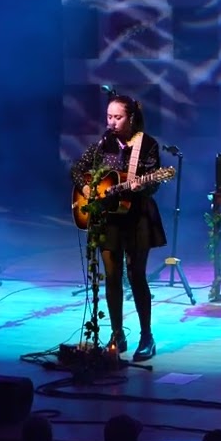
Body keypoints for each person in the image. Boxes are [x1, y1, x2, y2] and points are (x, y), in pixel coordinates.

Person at [70, 94, 166, 362]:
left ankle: (147, 336)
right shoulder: (103, 144)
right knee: (111, 278)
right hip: (109, 219)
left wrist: (142, 185)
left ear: (131, 117)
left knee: (136, 276)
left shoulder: (147, 145)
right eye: (109, 117)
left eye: (118, 117)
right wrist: (88, 187)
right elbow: (77, 169)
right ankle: (116, 334)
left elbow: (156, 182)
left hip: (137, 218)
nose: (111, 122)